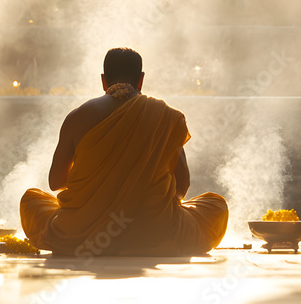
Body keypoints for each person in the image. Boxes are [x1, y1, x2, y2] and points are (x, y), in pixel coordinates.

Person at [20, 47, 229, 256]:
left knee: (31, 201)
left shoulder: (77, 117)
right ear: (141, 80)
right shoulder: (166, 117)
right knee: (216, 205)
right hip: (154, 231)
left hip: (80, 232)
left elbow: (56, 182)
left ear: (103, 80)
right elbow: (181, 188)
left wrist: (95, 188)